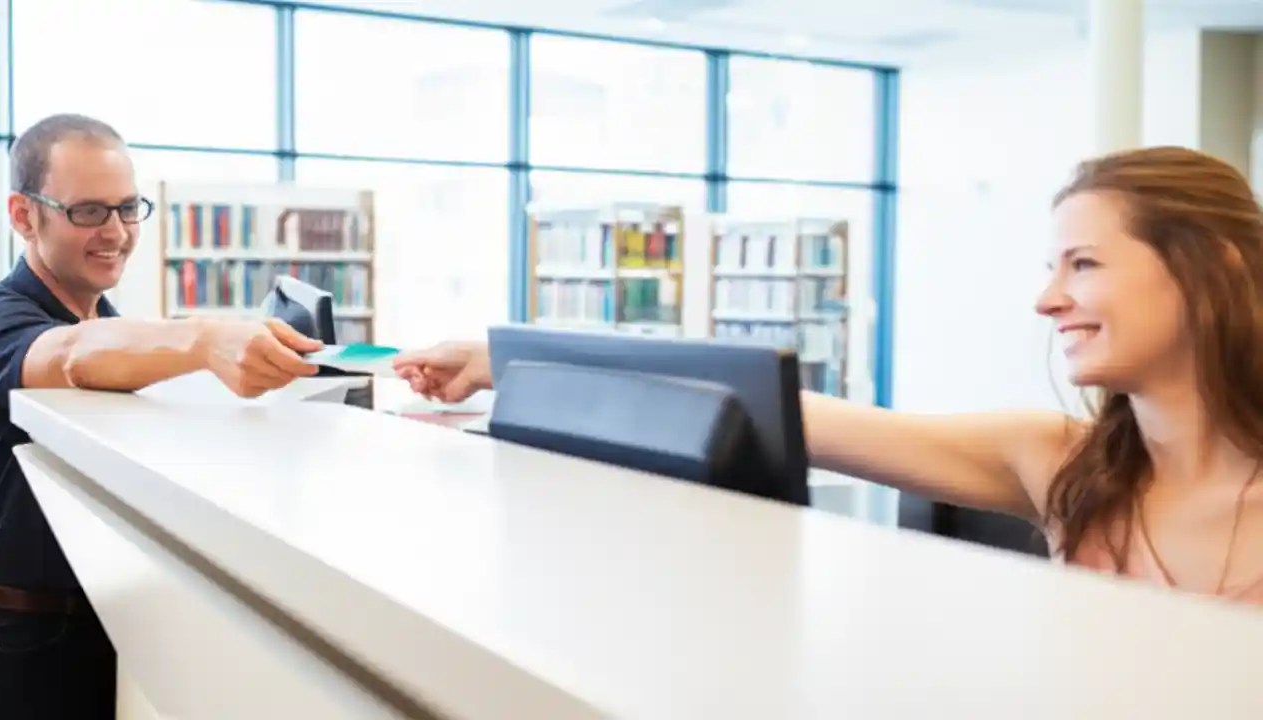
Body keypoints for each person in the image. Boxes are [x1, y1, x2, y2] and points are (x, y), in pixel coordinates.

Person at [394, 145, 1263, 608]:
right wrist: (501, 362)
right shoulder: (1061, 465)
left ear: (1207, 267)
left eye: (1082, 265)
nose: (1047, 300)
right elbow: (749, 400)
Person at [0, 114, 324, 717]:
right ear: (22, 215)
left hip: (105, 622)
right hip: (19, 642)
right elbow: (66, 357)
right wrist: (202, 340)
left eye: (126, 208)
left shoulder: (107, 323)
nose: (115, 231)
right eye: (87, 211)